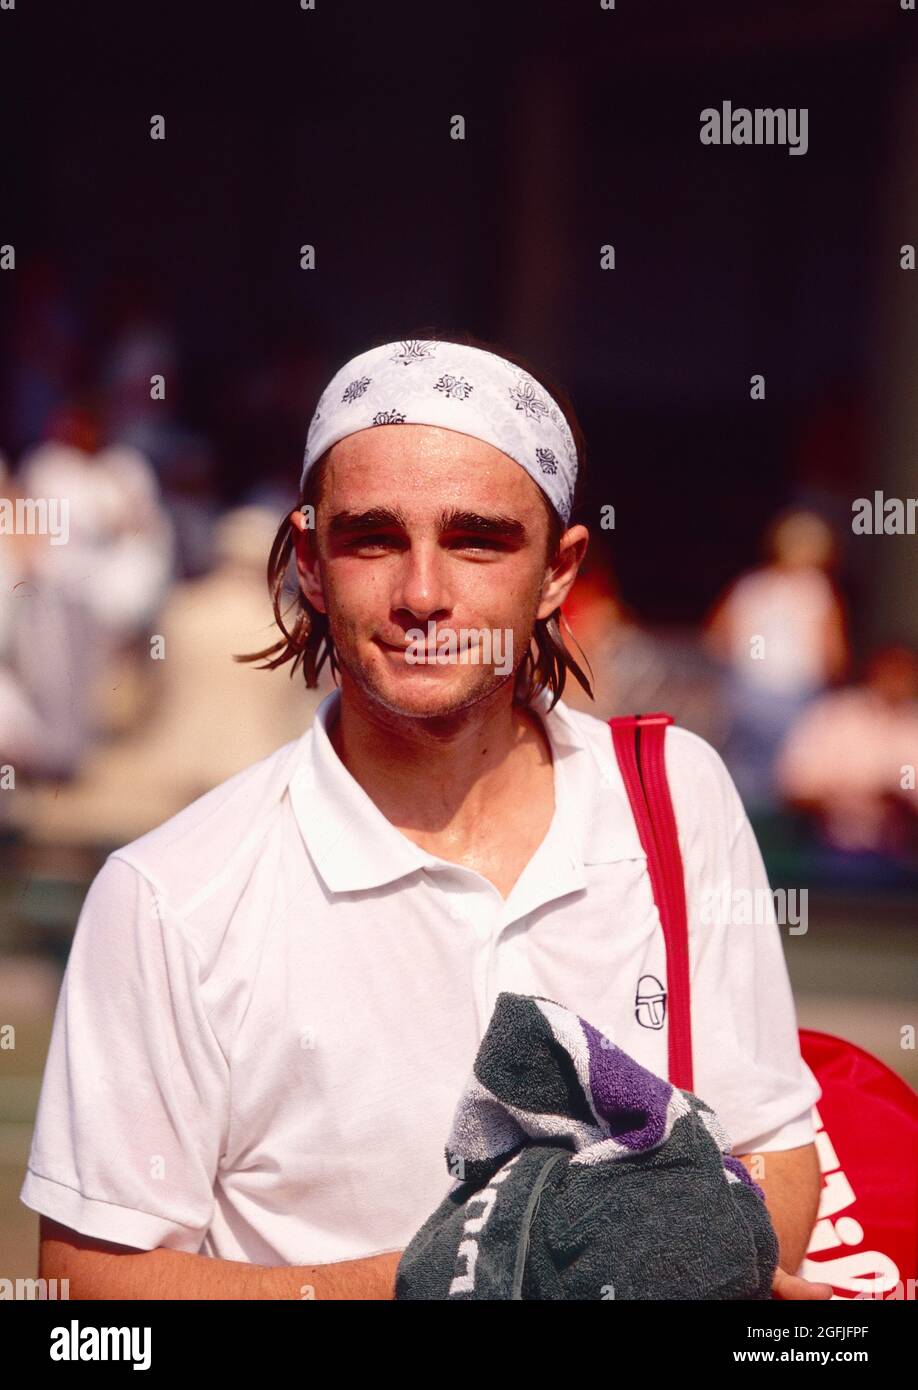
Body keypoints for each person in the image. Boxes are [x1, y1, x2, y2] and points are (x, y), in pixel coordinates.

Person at [22, 333, 830, 1300]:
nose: (422, 594)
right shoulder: (169, 895)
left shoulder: (676, 796)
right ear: (312, 564)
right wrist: (458, 1278)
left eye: (477, 539)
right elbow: (85, 1293)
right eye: (372, 537)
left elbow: (777, 1147)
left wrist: (676, 1259)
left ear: (560, 573)